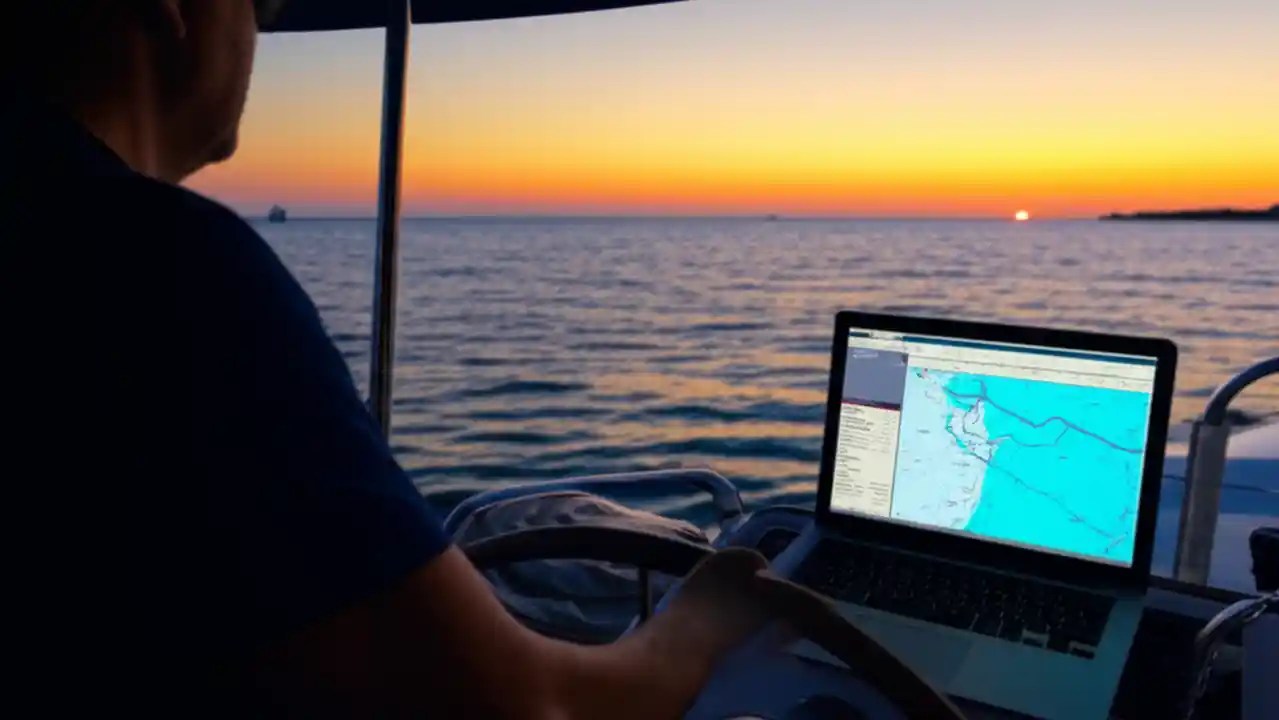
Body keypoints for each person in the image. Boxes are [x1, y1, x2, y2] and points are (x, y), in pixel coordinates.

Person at [2, 2, 776, 716]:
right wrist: (706, 613)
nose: (256, 41)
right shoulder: (153, 267)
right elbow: (531, 708)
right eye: (258, 7)